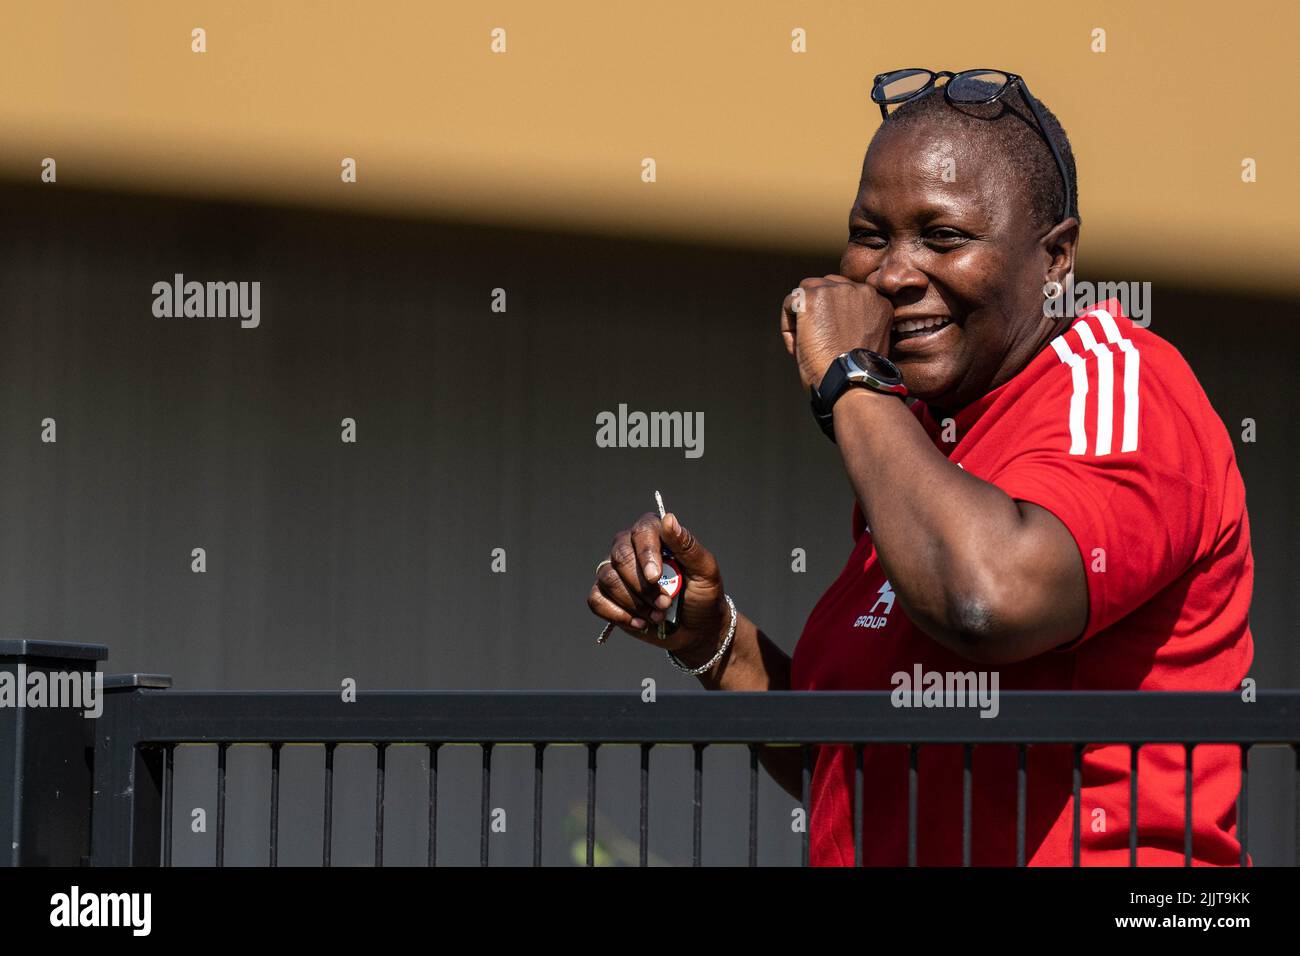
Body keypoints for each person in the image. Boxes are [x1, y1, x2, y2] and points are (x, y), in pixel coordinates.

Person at [586, 69, 1253, 866]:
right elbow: (856, 768)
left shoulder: (1122, 387)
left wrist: (851, 381)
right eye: (870, 234)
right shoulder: (922, 449)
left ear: (1057, 257)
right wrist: (714, 641)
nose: (895, 274)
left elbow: (985, 597)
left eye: (944, 238)